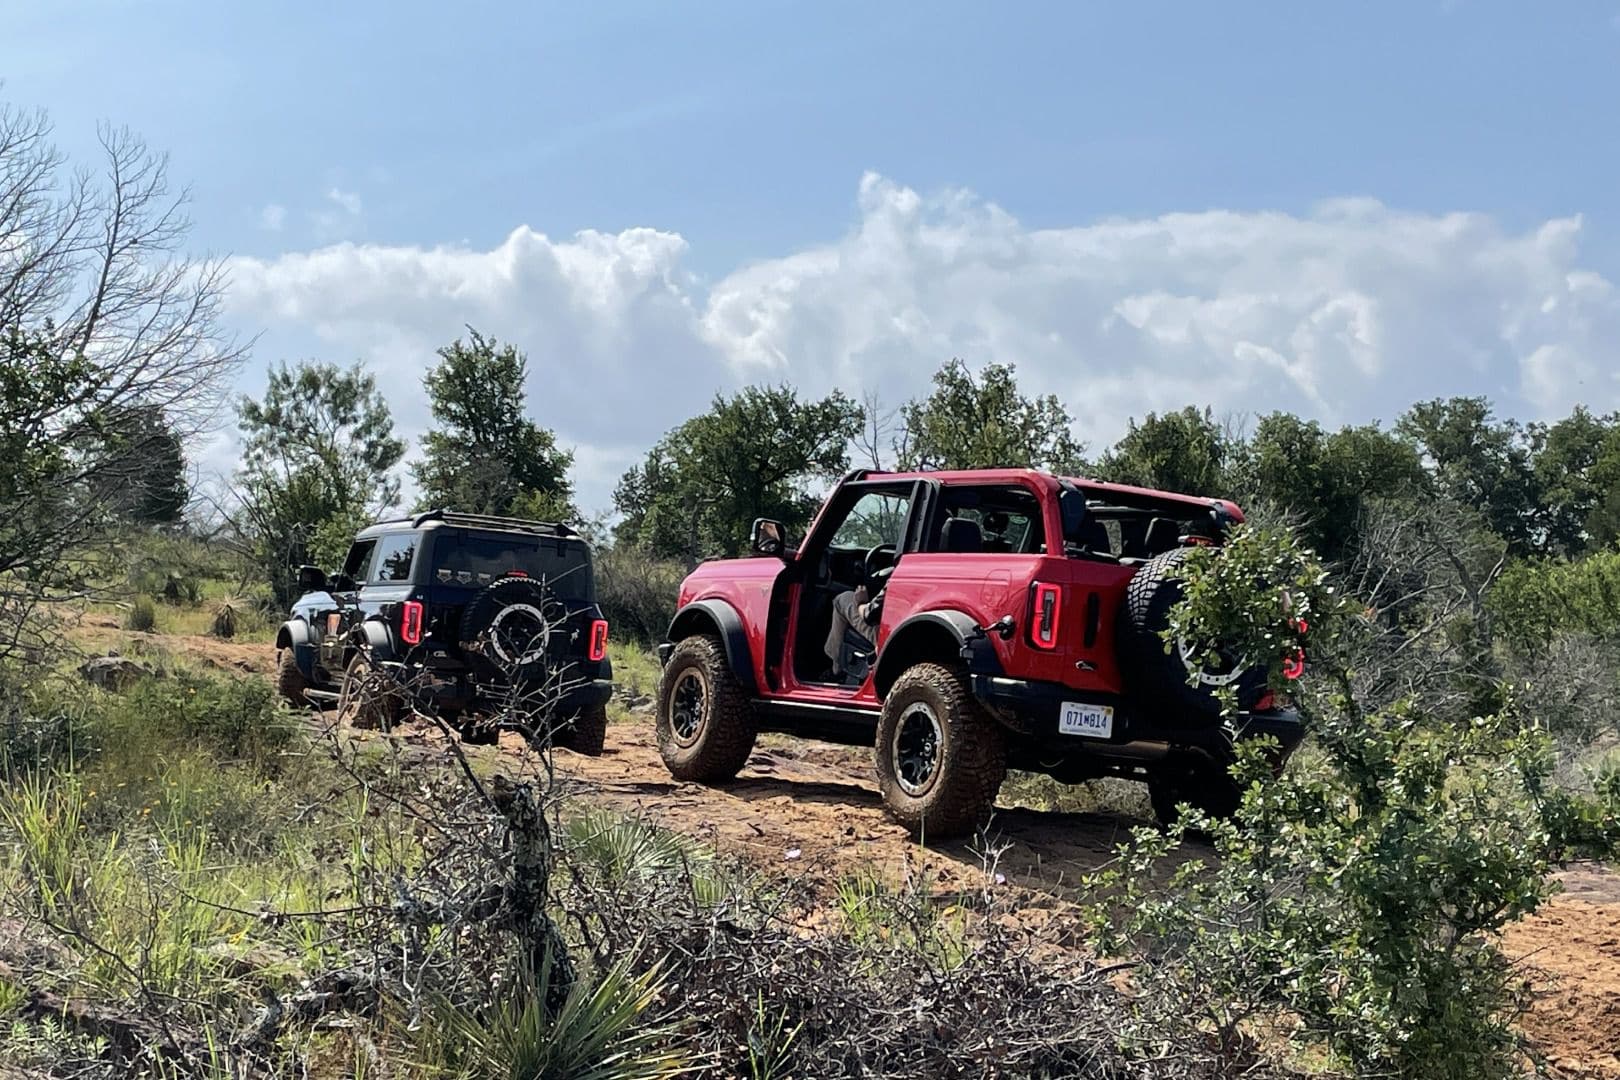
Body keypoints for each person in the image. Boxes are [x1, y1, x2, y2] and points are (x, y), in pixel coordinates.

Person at [824, 583, 880, 677]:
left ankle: (837, 669)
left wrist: (861, 603)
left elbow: (870, 615)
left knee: (843, 599)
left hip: (884, 632)